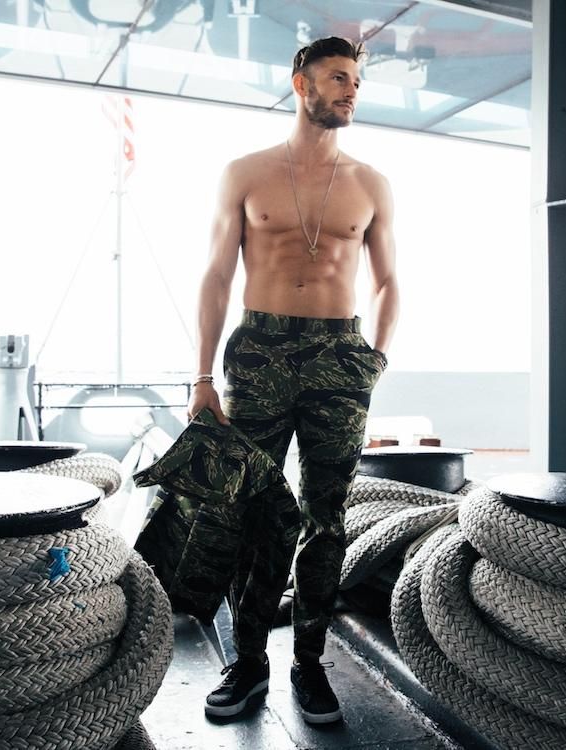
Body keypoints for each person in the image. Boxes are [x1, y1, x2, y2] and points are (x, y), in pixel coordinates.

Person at [186, 36, 399, 724]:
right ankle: (248, 662)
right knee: (255, 513)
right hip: (259, 352)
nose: (351, 90)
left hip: (339, 355)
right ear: (299, 83)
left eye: (356, 82)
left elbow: (390, 281)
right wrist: (200, 374)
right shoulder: (245, 174)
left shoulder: (369, 182)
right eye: (338, 78)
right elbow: (217, 276)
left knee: (325, 517)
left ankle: (308, 664)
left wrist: (375, 358)